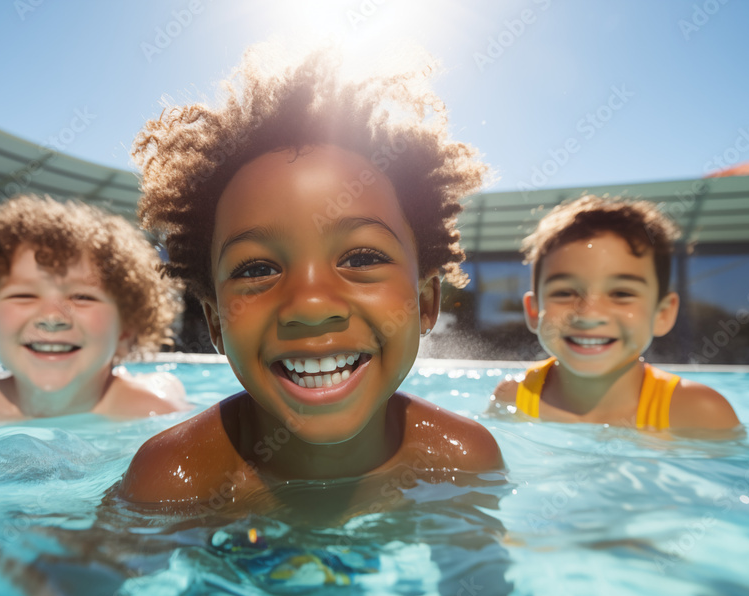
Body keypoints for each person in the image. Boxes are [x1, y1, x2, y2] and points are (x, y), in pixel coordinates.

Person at [118, 45, 504, 516]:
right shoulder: (173, 480)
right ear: (216, 322)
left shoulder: (462, 462)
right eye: (257, 269)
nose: (311, 305)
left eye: (360, 258)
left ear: (425, 302)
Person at [0, 194, 190, 422]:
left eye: (82, 296)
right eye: (23, 295)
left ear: (125, 334)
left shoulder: (158, 414)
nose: (52, 316)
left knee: (164, 383)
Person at [490, 195, 740, 432]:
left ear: (662, 313)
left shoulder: (698, 413)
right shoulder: (512, 397)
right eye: (565, 293)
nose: (589, 314)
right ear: (534, 311)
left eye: (621, 293)